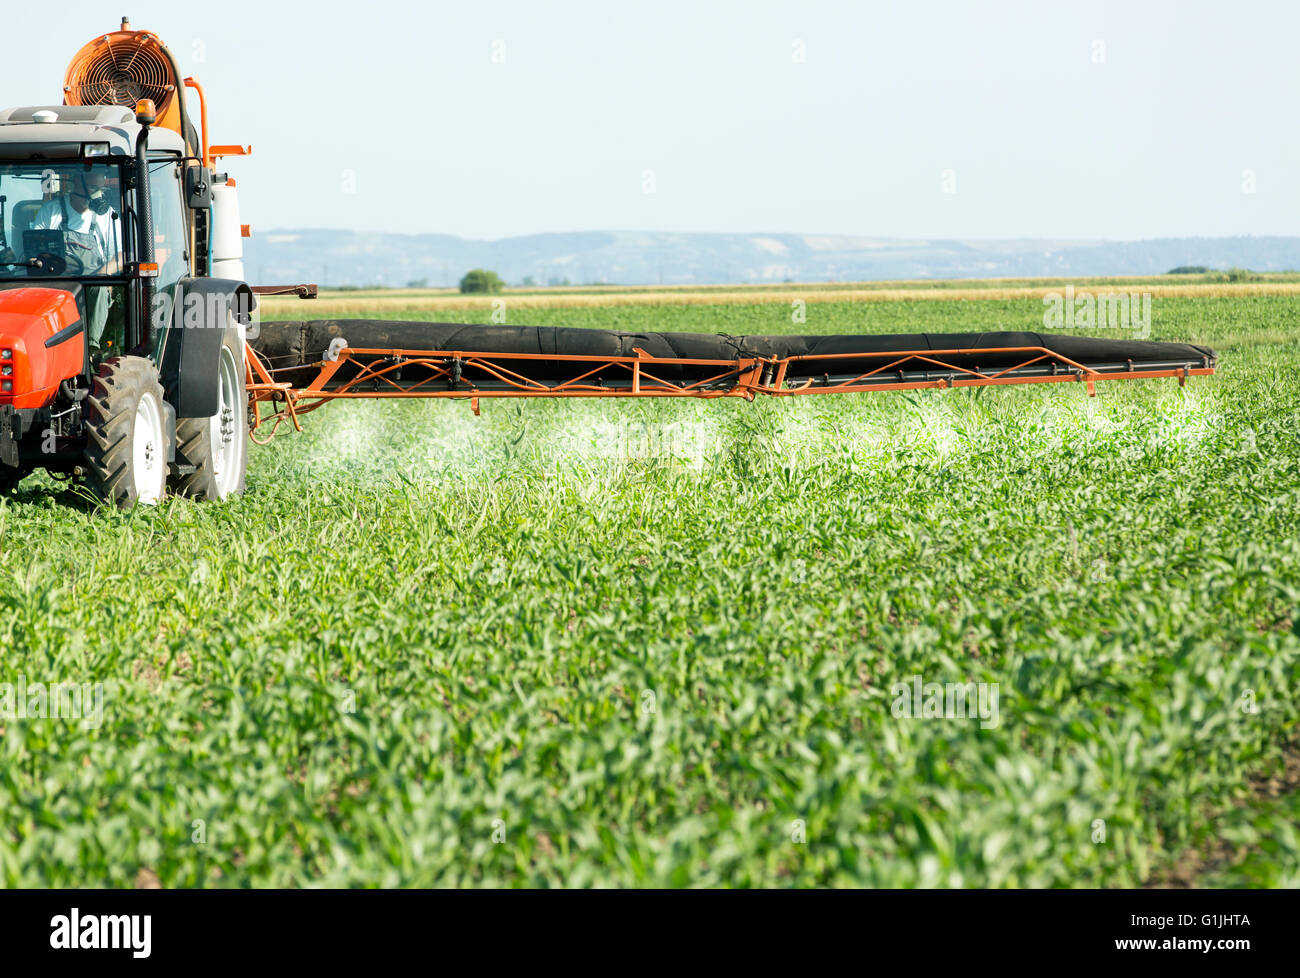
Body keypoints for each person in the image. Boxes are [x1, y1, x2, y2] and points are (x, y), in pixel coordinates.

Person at [29, 169, 123, 357]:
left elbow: (120, 257)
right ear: (78, 184)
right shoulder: (51, 211)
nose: (100, 194)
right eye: (95, 188)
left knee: (99, 288)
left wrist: (99, 276)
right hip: (56, 281)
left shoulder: (107, 216)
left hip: (91, 283)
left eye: (101, 189)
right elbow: (34, 250)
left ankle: (90, 348)